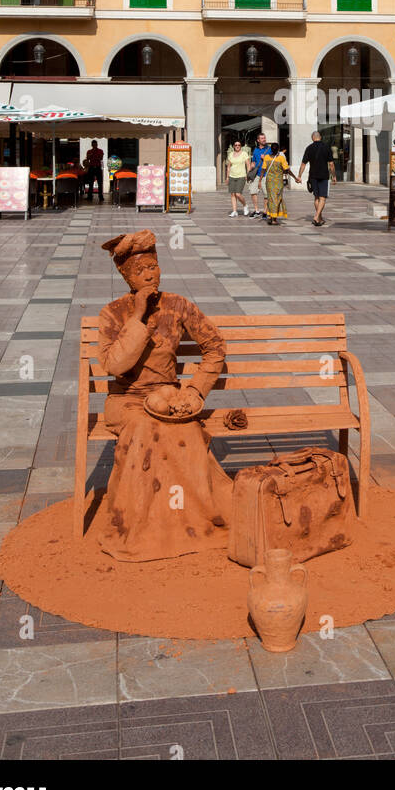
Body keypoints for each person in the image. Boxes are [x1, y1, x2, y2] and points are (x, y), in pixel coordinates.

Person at [96, 230, 231, 561]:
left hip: (168, 397)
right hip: (125, 401)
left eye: (153, 266)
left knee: (186, 430)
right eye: (139, 270)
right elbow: (115, 365)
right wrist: (138, 317)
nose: (149, 274)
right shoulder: (112, 314)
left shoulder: (178, 305)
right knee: (144, 430)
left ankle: (190, 521)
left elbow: (214, 346)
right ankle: (142, 526)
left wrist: (196, 390)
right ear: (126, 276)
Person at [297, 130, 336, 227]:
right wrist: (334, 176)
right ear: (320, 137)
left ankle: (320, 218)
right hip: (323, 175)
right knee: (322, 198)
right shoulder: (326, 147)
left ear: (312, 138)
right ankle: (316, 217)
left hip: (313, 175)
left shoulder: (309, 148)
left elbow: (303, 164)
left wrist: (299, 176)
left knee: (316, 197)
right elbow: (331, 164)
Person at [260, 142, 300, 224]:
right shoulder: (281, 158)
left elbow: (263, 169)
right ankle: (274, 219)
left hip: (269, 182)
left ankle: (271, 217)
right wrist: (295, 177)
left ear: (271, 149)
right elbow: (287, 170)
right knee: (277, 199)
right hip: (278, 182)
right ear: (278, 150)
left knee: (271, 198)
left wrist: (260, 180)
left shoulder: (266, 157)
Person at [248, 132, 271, 219]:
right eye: (262, 138)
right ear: (258, 140)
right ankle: (257, 211)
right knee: (253, 191)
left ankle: (265, 212)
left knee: (266, 194)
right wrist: (251, 167)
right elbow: (254, 161)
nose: (264, 139)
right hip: (257, 174)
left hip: (266, 174)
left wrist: (265, 158)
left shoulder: (269, 149)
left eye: (264, 138)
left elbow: (274, 160)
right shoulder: (255, 150)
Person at [225, 139, 250, 216]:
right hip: (232, 176)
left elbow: (248, 165)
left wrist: (247, 174)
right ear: (233, 146)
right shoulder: (231, 154)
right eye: (235, 145)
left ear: (241, 146)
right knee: (232, 194)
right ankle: (234, 211)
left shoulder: (244, 154)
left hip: (241, 176)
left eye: (239, 145)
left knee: (238, 194)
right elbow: (228, 167)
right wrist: (227, 177)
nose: (237, 146)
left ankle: (245, 205)